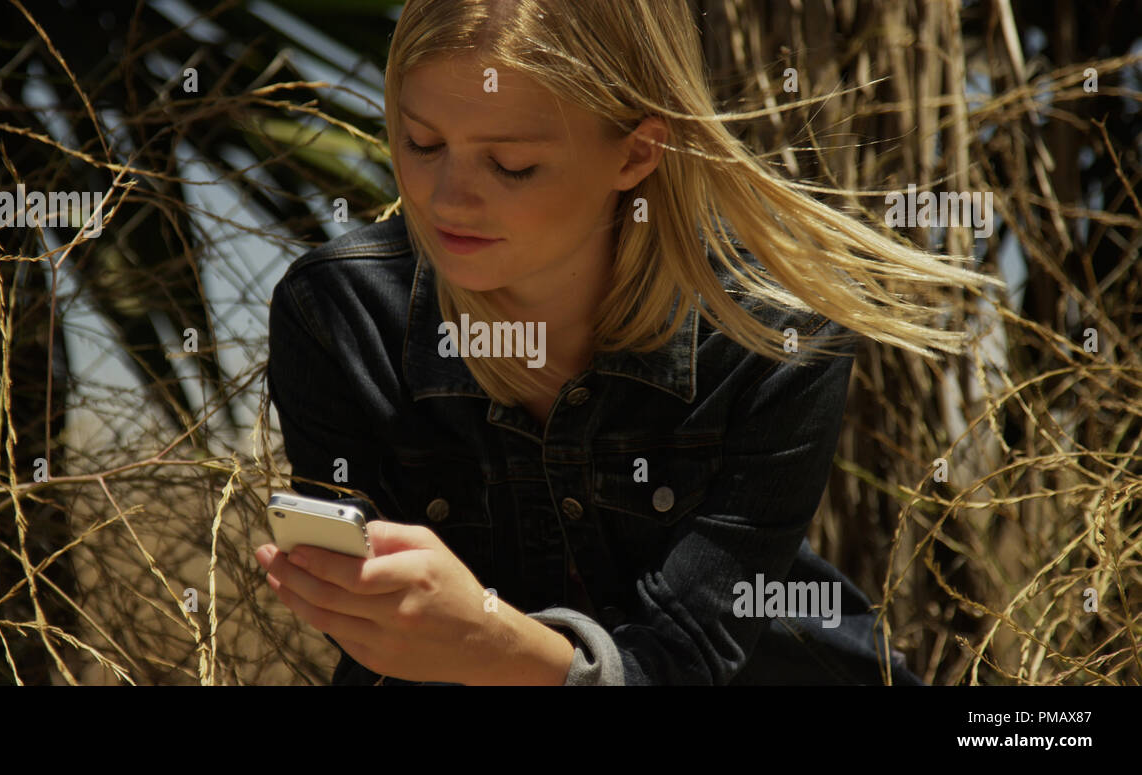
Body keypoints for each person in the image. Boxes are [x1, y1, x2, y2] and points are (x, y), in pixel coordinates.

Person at [256, 0, 998, 685]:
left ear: (638, 153)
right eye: (421, 143)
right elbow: (383, 645)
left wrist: (491, 640)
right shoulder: (335, 317)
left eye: (511, 164)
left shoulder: (777, 335)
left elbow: (689, 654)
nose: (446, 197)